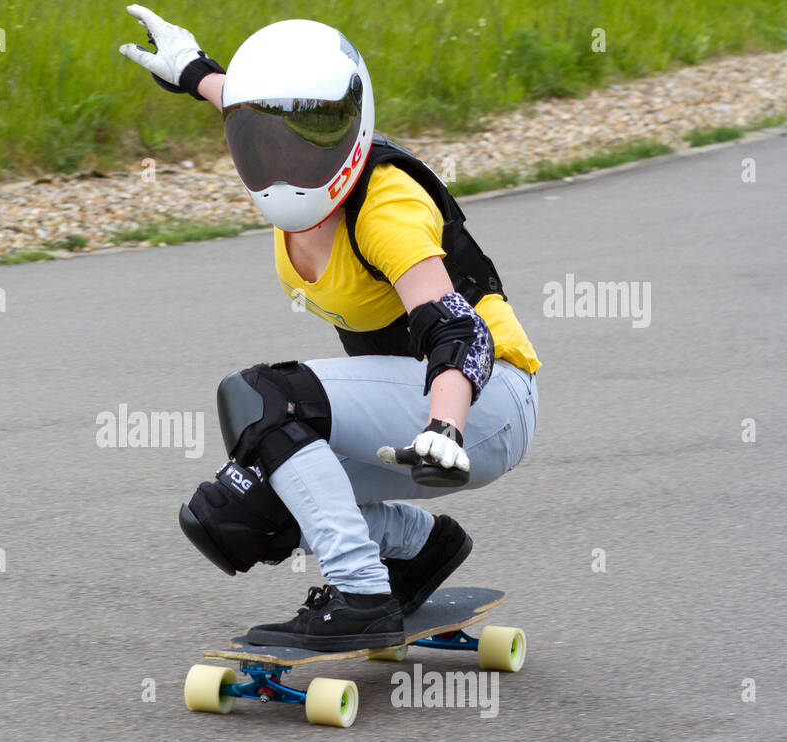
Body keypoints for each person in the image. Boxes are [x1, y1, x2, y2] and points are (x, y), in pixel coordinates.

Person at [119, 7, 541, 651]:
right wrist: (194, 71)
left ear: (353, 129)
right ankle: (421, 549)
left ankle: (360, 597)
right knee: (236, 511)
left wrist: (445, 426)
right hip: (415, 411)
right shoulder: (289, 167)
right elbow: (253, 105)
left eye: (305, 142)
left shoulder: (385, 205)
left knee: (263, 399)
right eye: (265, 143)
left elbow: (461, 331)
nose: (283, 158)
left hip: (482, 405)